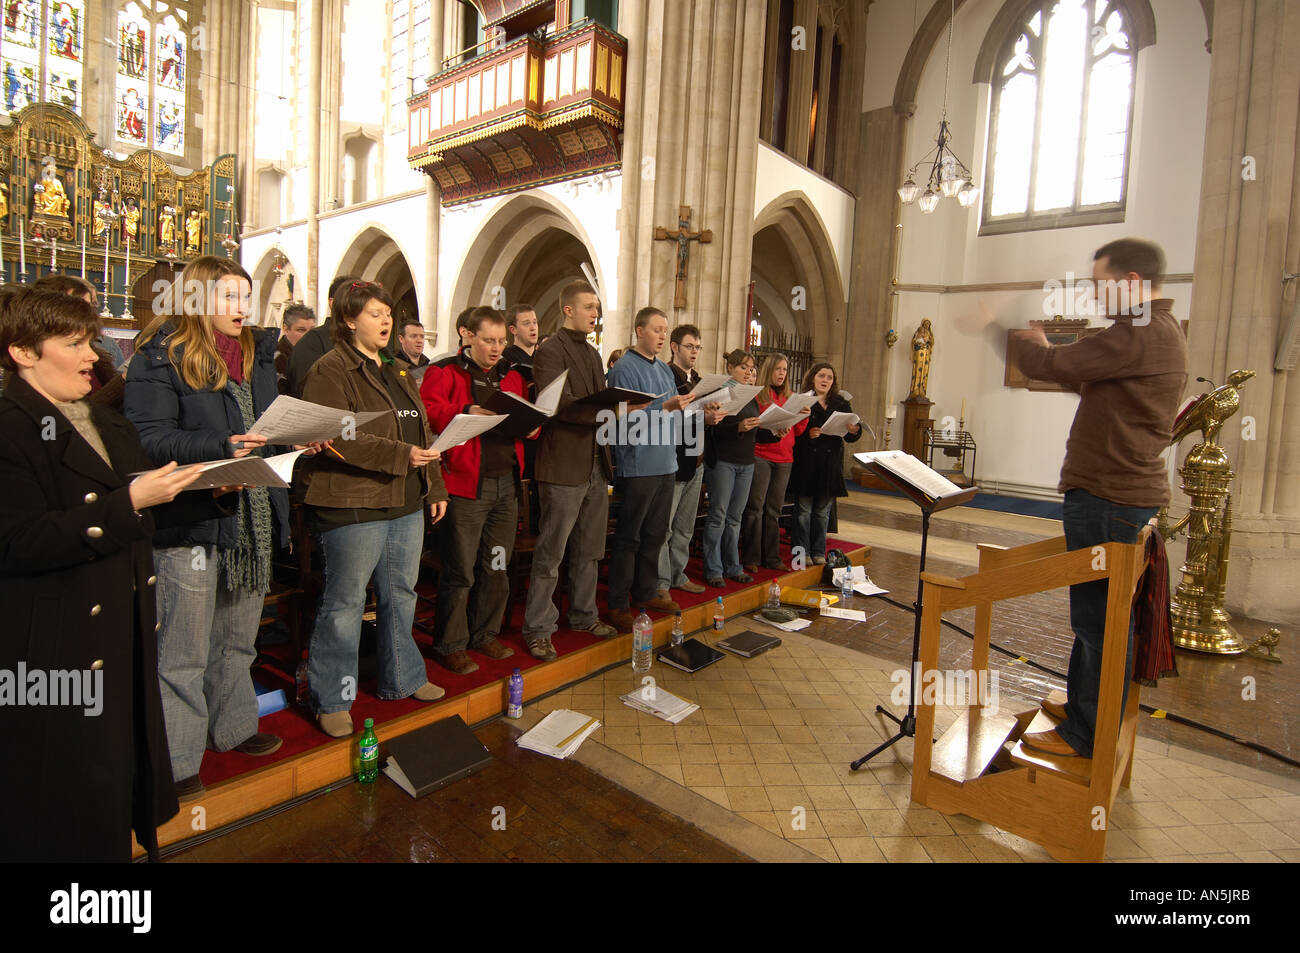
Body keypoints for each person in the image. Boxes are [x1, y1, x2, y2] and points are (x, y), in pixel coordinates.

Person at [0, 289, 239, 861]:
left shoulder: (106, 421)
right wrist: (128, 502)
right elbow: (17, 543)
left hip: (121, 631)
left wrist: (209, 492)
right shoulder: (10, 430)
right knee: (63, 801)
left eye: (91, 341)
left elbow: (139, 506)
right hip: (58, 643)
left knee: (113, 784)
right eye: (73, 343)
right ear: (22, 353)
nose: (93, 354)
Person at [1008, 238, 1187, 759]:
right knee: (1102, 616)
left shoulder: (1140, 334)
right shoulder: (1156, 332)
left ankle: (1088, 736)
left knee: (1099, 620)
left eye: (1099, 283)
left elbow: (1049, 365)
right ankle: (1085, 711)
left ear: (1130, 283)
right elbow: (1102, 385)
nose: (1094, 294)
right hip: (1121, 494)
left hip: (1108, 496)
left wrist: (1018, 333)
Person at [124, 257, 293, 802]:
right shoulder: (160, 355)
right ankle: (177, 757)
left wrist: (298, 438)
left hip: (254, 516)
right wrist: (220, 449)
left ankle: (235, 726)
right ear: (197, 300)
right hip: (191, 521)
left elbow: (266, 430)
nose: (242, 308)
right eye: (228, 297)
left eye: (246, 297)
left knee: (237, 639)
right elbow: (148, 440)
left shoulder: (256, 356)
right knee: (185, 649)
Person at [300, 280, 450, 738]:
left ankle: (402, 677)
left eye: (388, 314)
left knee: (400, 593)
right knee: (344, 603)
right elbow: (335, 436)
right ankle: (331, 697)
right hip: (352, 502)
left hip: (405, 498)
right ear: (348, 320)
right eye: (374, 314)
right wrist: (400, 457)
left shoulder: (398, 370)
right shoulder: (331, 368)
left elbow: (421, 432)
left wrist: (435, 485)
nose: (385, 321)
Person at [420, 307, 528, 674]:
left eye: (501, 341)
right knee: (460, 570)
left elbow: (524, 416)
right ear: (469, 337)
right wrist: (467, 409)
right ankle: (450, 643)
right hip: (465, 484)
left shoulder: (511, 376)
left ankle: (485, 634)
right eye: (489, 340)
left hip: (505, 483)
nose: (497, 348)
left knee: (496, 566)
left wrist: (532, 427)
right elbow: (427, 411)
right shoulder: (445, 370)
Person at [523, 279, 618, 660]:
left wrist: (615, 408)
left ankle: (583, 615)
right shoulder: (550, 351)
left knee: (590, 549)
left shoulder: (594, 355)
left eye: (597, 308)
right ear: (568, 310)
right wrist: (612, 410)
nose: (596, 314)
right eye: (589, 307)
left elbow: (596, 401)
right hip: (562, 463)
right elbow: (559, 405)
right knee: (551, 554)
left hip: (596, 461)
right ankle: (539, 629)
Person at [604, 307, 695, 632]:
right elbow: (622, 422)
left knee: (656, 534)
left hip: (666, 462)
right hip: (638, 463)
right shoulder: (624, 369)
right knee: (629, 538)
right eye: (656, 329)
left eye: (664, 329)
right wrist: (665, 407)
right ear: (639, 330)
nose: (661, 335)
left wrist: (701, 413)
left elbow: (671, 415)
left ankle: (646, 593)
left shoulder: (665, 372)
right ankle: (617, 604)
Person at [788, 362, 862, 565]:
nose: (825, 380)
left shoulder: (841, 403)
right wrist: (808, 435)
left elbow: (851, 436)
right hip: (806, 463)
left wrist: (854, 430)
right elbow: (790, 431)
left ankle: (818, 551)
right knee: (802, 512)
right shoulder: (804, 401)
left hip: (829, 465)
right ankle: (800, 555)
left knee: (822, 512)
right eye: (821, 376)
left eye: (829, 377)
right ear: (812, 377)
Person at [741, 354, 809, 572]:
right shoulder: (759, 396)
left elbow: (798, 431)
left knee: (774, 510)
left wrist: (804, 416)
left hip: (784, 458)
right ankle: (751, 557)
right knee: (755, 508)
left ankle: (771, 557)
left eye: (785, 370)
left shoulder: (792, 397)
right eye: (778, 369)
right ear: (769, 370)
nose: (782, 374)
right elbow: (754, 425)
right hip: (761, 454)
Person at [655, 323, 708, 597]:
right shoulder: (666, 376)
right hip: (674, 459)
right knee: (665, 527)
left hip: (696, 459)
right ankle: (661, 582)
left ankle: (678, 573)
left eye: (698, 347)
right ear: (675, 347)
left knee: (685, 526)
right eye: (690, 346)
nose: (694, 351)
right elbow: (664, 417)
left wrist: (710, 415)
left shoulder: (698, 380)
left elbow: (697, 419)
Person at [702, 349, 761, 587]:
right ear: (730, 368)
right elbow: (712, 430)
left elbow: (752, 430)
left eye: (751, 368)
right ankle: (714, 569)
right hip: (724, 461)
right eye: (743, 368)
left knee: (735, 518)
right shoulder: (721, 393)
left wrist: (775, 432)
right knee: (718, 516)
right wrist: (738, 428)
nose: (748, 372)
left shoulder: (751, 395)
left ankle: (733, 566)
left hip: (746, 462)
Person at [287, 274, 357, 397]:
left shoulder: (367, 341)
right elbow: (310, 392)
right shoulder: (312, 342)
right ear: (332, 303)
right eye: (353, 300)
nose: (359, 306)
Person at [275, 303, 316, 394]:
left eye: (312, 330)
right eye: (301, 330)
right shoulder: (277, 358)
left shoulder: (317, 353)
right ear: (286, 329)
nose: (309, 335)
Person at [503, 302, 538, 384]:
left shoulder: (545, 358)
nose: (533, 328)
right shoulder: (505, 358)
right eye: (526, 323)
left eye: (535, 322)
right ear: (513, 330)